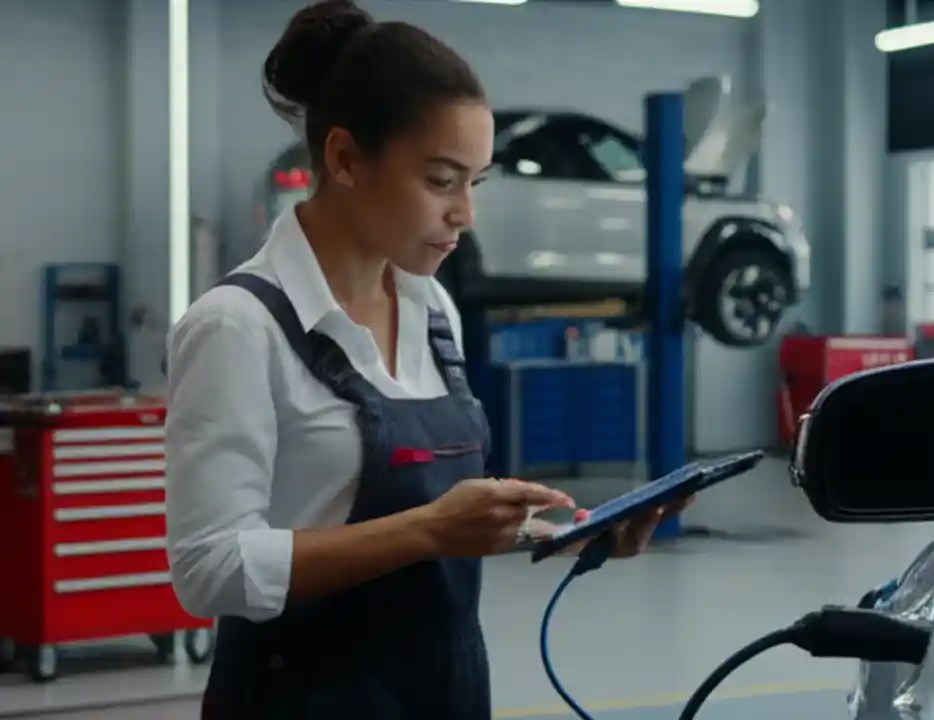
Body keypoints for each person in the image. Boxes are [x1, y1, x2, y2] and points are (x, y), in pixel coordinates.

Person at [163, 2, 690, 717]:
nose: (465, 214)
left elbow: (436, 519)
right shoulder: (237, 327)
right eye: (441, 181)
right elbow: (209, 570)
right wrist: (429, 532)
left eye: (477, 183)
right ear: (345, 158)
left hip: (445, 687)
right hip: (304, 697)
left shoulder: (432, 309)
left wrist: (568, 535)